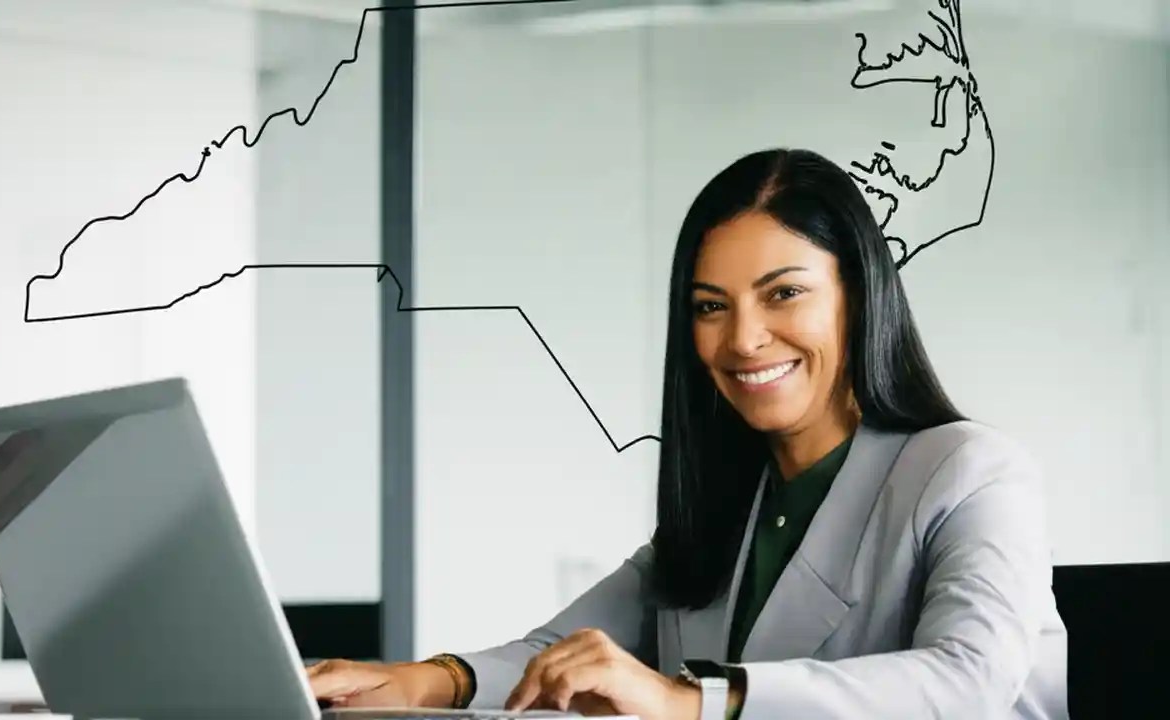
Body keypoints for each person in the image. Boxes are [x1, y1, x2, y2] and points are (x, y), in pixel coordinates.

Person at [306, 148, 1068, 719]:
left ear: (860, 298)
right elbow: (556, 655)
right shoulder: (726, 505)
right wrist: (422, 681)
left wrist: (691, 700)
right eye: (710, 307)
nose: (744, 339)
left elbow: (968, 680)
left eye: (785, 295)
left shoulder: (970, 472)